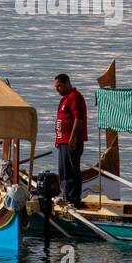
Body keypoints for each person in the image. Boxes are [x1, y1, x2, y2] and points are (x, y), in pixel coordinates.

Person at [54, 73, 87, 206]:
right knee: (63, 171)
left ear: (67, 83)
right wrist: (58, 138)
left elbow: (78, 118)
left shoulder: (75, 96)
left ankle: (73, 199)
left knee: (71, 171)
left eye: (59, 86)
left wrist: (73, 138)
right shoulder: (65, 98)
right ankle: (66, 195)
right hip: (62, 141)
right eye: (56, 87)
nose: (57, 89)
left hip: (71, 142)